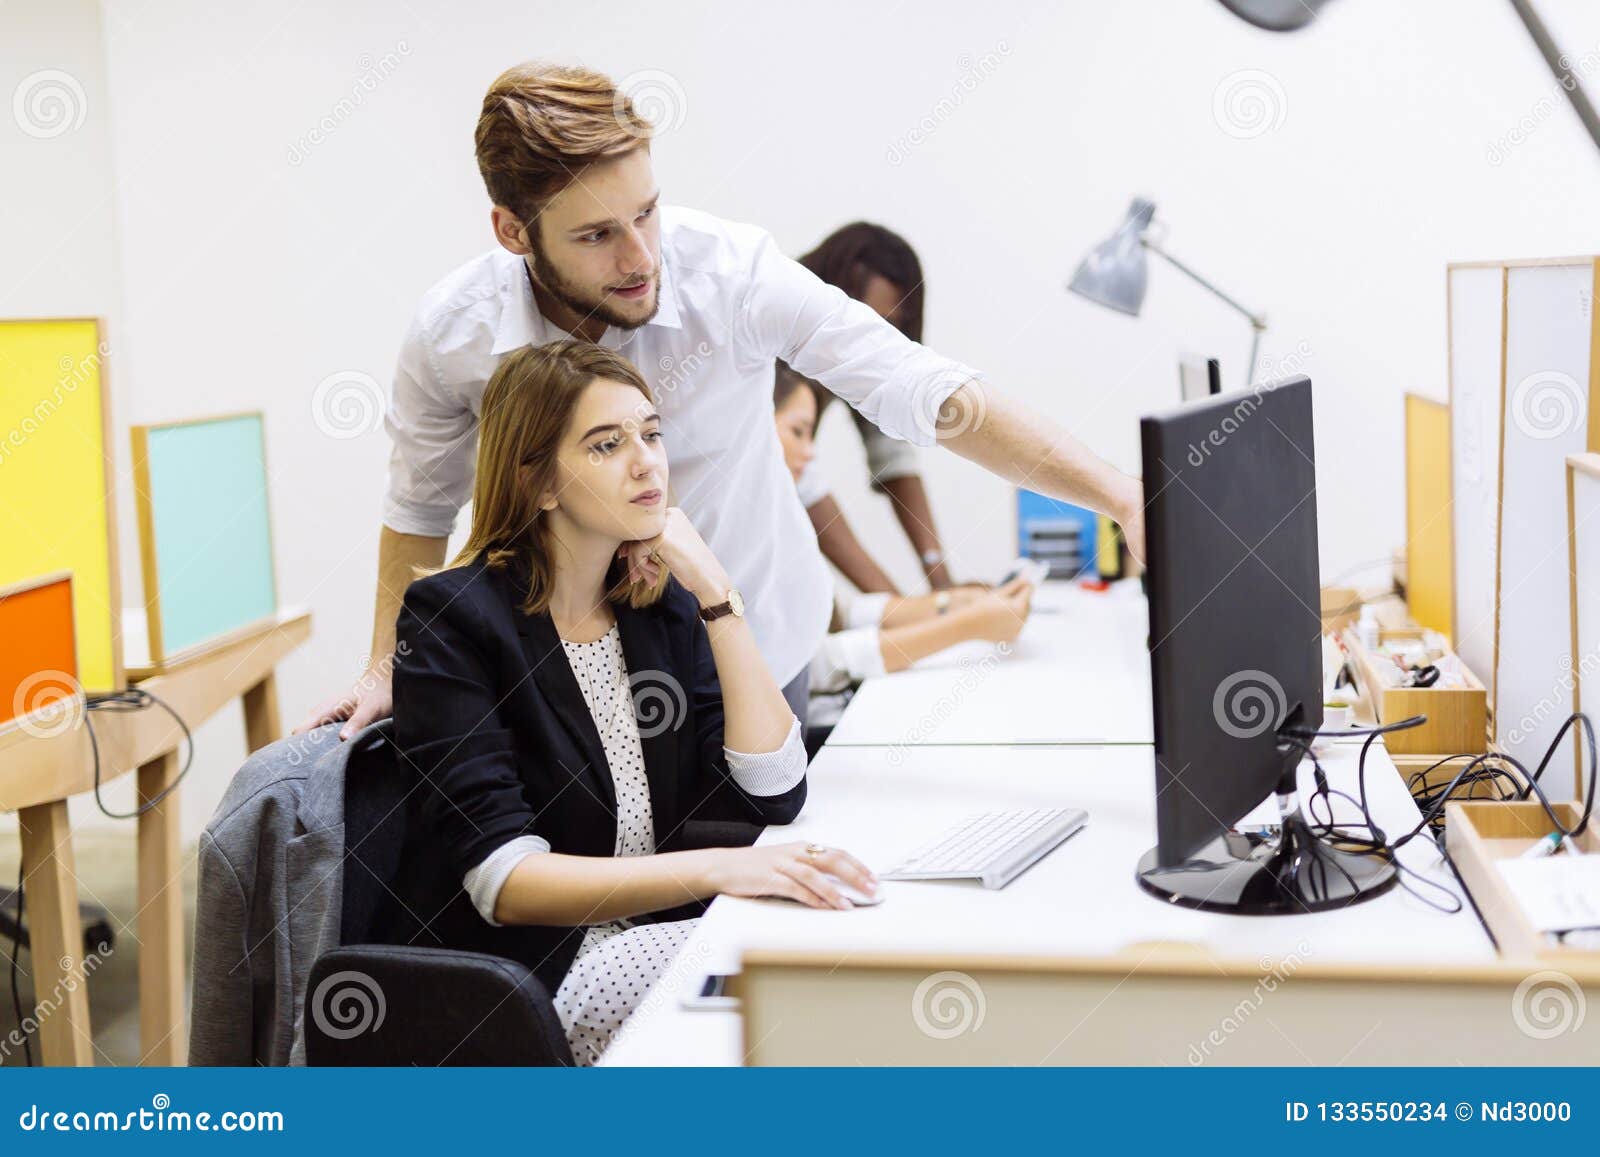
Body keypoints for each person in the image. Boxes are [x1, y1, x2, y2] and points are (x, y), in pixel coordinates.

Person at [297, 61, 1146, 741]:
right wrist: (385, 667)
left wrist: (1119, 496)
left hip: (759, 647)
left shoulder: (732, 274)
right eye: (596, 235)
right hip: (569, 676)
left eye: (647, 213)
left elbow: (921, 387)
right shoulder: (455, 334)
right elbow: (418, 509)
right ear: (514, 233)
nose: (640, 258)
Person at [386, 339, 877, 1065]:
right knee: (827, 979)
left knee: (841, 944)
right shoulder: (454, 620)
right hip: (537, 977)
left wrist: (716, 594)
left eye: (651, 433)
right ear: (540, 482)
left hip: (654, 932)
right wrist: (717, 869)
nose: (646, 460)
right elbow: (505, 882)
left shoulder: (654, 603)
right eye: (606, 444)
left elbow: (775, 787)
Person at [773, 366, 1035, 736]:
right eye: (798, 432)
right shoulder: (743, 535)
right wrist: (966, 626)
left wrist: (954, 602)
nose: (811, 453)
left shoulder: (784, 513)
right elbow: (816, 665)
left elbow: (841, 614)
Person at [795, 222, 955, 594]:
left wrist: (942, 583)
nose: (877, 342)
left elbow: (892, 451)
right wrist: (912, 612)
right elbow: (803, 487)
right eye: (871, 323)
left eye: (893, 327)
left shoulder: (851, 354)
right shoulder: (777, 344)